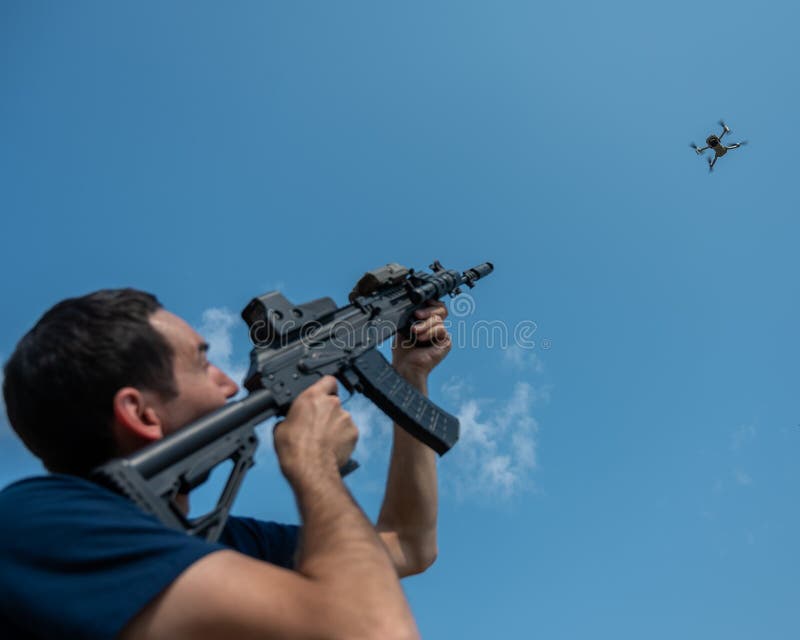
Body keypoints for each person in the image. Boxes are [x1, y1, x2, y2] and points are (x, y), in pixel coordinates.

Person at [0, 288, 452, 639]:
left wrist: (410, 375)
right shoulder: (32, 524)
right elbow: (370, 631)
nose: (231, 384)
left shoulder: (225, 543)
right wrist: (315, 468)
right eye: (202, 363)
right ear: (140, 413)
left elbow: (408, 545)